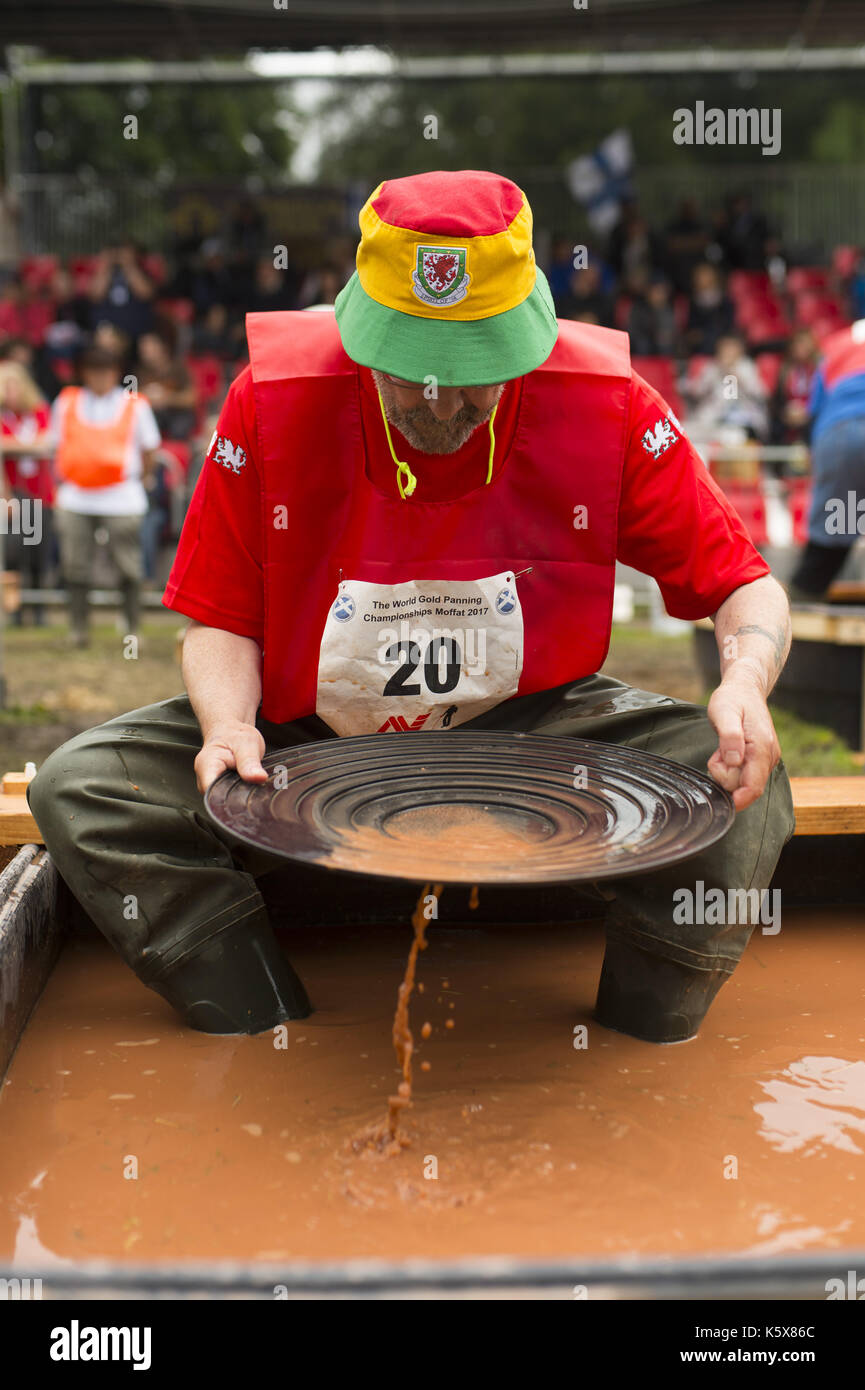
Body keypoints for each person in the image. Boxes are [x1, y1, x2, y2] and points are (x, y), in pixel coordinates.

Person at [29, 170, 794, 1044]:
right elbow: (220, 613)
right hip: (308, 729)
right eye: (414, 373)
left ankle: (637, 1044)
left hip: (532, 728)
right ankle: (265, 1025)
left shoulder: (607, 403)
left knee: (742, 785)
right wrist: (228, 724)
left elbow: (744, 584)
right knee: (84, 788)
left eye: (477, 375)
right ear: (363, 334)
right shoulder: (271, 399)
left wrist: (743, 680)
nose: (443, 403)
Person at [51, 344, 160, 645]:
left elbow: (149, 448)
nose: (100, 377)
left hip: (122, 496)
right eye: (94, 371)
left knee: (128, 566)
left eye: (106, 371)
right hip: (76, 497)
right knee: (75, 566)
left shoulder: (135, 404)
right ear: (84, 373)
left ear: (116, 373)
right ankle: (78, 630)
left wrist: (143, 478)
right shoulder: (67, 402)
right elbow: (55, 444)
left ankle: (131, 627)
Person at [789, 319, 865, 599]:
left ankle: (797, 616)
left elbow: (814, 410)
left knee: (836, 532)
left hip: (840, 440)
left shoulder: (836, 346)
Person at [0, 360, 55, 623]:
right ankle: (16, 610)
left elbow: (47, 444)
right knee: (14, 552)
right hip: (13, 495)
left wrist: (13, 446)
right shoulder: (3, 417)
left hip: (40, 494)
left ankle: (40, 610)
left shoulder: (39, 412)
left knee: (38, 553)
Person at [681, 333, 769, 444]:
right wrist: (715, 373)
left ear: (739, 351)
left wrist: (735, 375)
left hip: (743, 420)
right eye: (725, 349)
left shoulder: (747, 367)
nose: (728, 352)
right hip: (714, 418)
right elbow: (698, 392)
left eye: (731, 349)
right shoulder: (712, 367)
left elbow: (761, 393)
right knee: (688, 432)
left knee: (733, 438)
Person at [684, 262, 735, 355]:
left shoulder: (724, 300)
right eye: (700, 276)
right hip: (700, 343)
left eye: (705, 275)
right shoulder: (694, 302)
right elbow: (691, 325)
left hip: (720, 339)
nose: (702, 279)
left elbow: (728, 324)